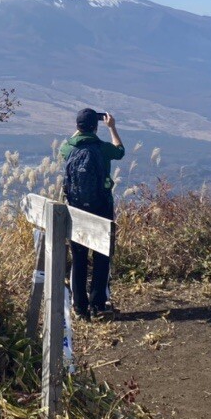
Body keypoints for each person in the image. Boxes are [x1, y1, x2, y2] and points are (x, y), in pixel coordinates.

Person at [60, 108, 124, 320]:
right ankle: (98, 304)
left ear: (77, 127)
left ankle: (80, 307)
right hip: (102, 207)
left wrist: (78, 132)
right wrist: (112, 127)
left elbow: (64, 148)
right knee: (102, 255)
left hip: (76, 209)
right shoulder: (102, 148)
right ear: (96, 127)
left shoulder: (69, 147)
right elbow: (120, 151)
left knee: (78, 257)